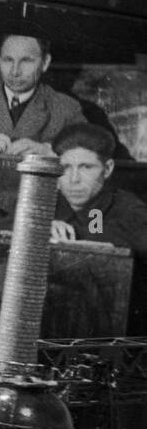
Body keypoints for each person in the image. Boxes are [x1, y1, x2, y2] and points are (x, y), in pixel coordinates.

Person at [50, 123, 147, 331]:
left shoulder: (128, 208)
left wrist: (74, 234)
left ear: (108, 169)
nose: (74, 179)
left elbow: (101, 229)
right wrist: (38, 226)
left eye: (86, 167)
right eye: (65, 168)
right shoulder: (47, 203)